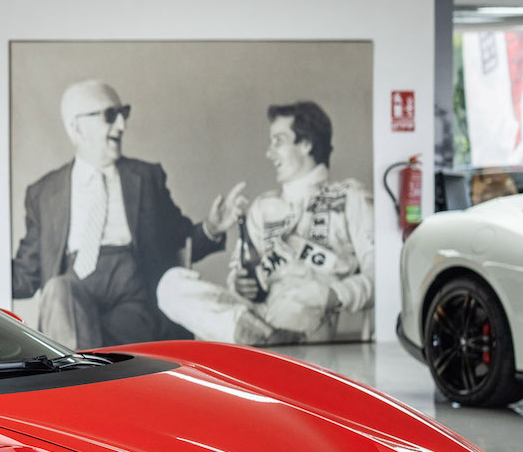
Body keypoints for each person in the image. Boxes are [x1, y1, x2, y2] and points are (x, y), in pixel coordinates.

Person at [12, 79, 241, 349]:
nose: (122, 125)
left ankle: (80, 371)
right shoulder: (43, 193)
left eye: (124, 113)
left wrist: (212, 227)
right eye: (110, 115)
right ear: (76, 128)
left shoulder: (146, 178)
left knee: (89, 345)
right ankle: (84, 370)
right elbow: (27, 274)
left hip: (134, 298)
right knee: (57, 290)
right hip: (72, 296)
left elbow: (178, 242)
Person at [158, 101, 373, 344]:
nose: (269, 153)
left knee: (291, 305)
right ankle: (266, 339)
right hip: (259, 316)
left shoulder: (351, 197)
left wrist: (330, 295)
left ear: (306, 144)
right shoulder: (263, 206)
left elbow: (380, 277)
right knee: (170, 286)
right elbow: (239, 276)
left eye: (278, 142)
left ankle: (263, 343)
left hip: (309, 315)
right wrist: (240, 284)